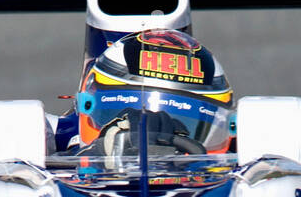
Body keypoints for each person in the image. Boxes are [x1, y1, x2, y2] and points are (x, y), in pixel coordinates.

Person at [58, 29, 234, 159]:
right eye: (120, 111)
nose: (153, 150)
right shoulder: (55, 165)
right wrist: (101, 152)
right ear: (85, 105)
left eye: (187, 121)